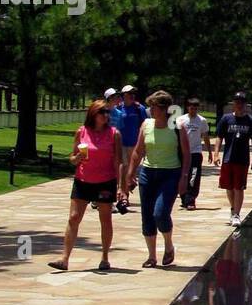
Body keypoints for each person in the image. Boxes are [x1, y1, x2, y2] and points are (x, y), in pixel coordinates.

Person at [48, 100, 123, 272]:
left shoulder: (114, 133)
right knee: (73, 217)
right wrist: (76, 159)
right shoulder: (81, 132)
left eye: (107, 112)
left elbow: (118, 161)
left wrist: (120, 186)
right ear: (93, 114)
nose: (105, 115)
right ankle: (64, 259)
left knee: (105, 219)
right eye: (101, 112)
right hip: (82, 180)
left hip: (105, 181)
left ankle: (104, 257)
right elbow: (73, 157)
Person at [127, 90, 190, 267]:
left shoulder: (177, 127)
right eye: (150, 106)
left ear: (164, 108)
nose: (151, 110)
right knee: (147, 216)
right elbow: (138, 151)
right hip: (148, 173)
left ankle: (169, 245)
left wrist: (184, 177)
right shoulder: (146, 124)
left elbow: (186, 155)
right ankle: (152, 256)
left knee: (160, 213)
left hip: (170, 174)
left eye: (154, 106)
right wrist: (130, 173)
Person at [216, 90, 252, 227]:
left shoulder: (250, 121)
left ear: (245, 105)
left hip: (242, 158)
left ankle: (236, 214)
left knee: (238, 188)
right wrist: (216, 153)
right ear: (233, 104)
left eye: (242, 103)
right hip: (228, 157)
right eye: (237, 102)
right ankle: (232, 208)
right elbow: (219, 136)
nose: (239, 105)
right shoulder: (226, 119)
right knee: (229, 187)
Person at [110, 85, 147, 214]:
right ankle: (122, 194)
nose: (132, 96)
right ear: (123, 95)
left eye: (133, 93)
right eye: (129, 93)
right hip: (120, 143)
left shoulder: (139, 109)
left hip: (134, 143)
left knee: (130, 170)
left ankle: (125, 195)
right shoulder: (118, 108)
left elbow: (145, 124)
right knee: (122, 167)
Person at [177, 97, 213, 209]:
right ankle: (184, 197)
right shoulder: (180, 120)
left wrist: (210, 152)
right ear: (188, 108)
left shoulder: (201, 121)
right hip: (182, 152)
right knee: (182, 175)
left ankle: (191, 199)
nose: (193, 111)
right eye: (191, 108)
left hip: (195, 152)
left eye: (195, 109)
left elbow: (206, 137)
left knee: (194, 176)